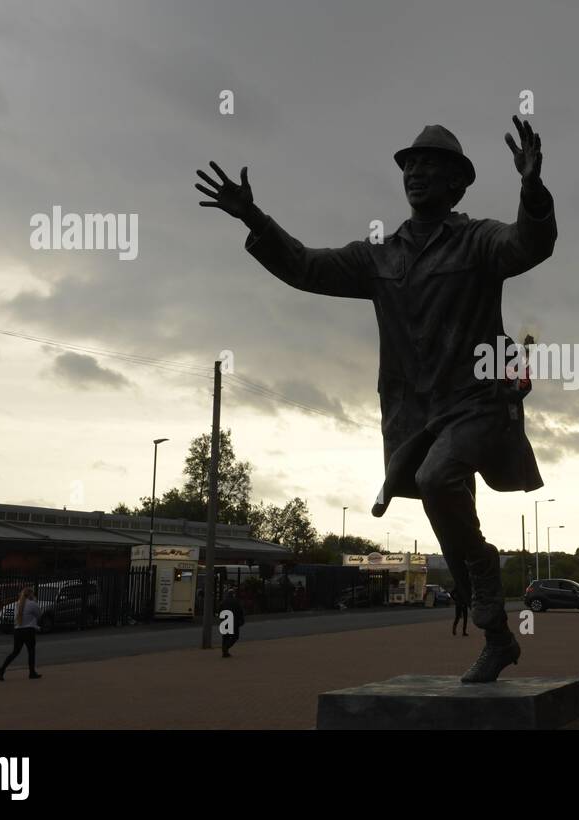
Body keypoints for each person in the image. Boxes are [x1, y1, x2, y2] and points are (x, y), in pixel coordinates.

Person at [197, 116, 557, 683]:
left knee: (439, 480)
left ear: (457, 184)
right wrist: (252, 215)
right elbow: (306, 266)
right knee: (443, 503)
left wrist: (532, 190)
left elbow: (529, 244)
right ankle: (495, 633)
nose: (416, 172)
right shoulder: (380, 257)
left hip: (477, 403)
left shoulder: (477, 239)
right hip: (417, 417)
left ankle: (482, 569)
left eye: (430, 165)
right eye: (410, 164)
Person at [0, 587, 41, 680]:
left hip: (18, 630)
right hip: (28, 630)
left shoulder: (18, 604)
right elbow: (38, 614)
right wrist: (35, 602)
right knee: (31, 651)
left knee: (15, 652)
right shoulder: (32, 604)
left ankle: (2, 669)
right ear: (30, 595)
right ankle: (32, 672)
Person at [219, 585, 245, 658]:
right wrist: (241, 620)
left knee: (225, 637)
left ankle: (225, 652)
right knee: (235, 636)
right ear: (233, 594)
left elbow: (219, 611)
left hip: (224, 621)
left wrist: (221, 620)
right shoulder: (236, 601)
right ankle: (226, 648)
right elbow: (240, 612)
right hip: (233, 621)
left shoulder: (223, 602)